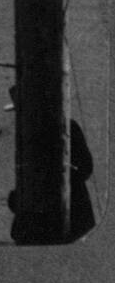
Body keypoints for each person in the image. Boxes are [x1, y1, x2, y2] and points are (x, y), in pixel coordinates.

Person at [6, 88, 95, 242]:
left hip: (61, 218)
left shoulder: (66, 128)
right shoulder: (29, 132)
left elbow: (85, 168)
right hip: (55, 219)